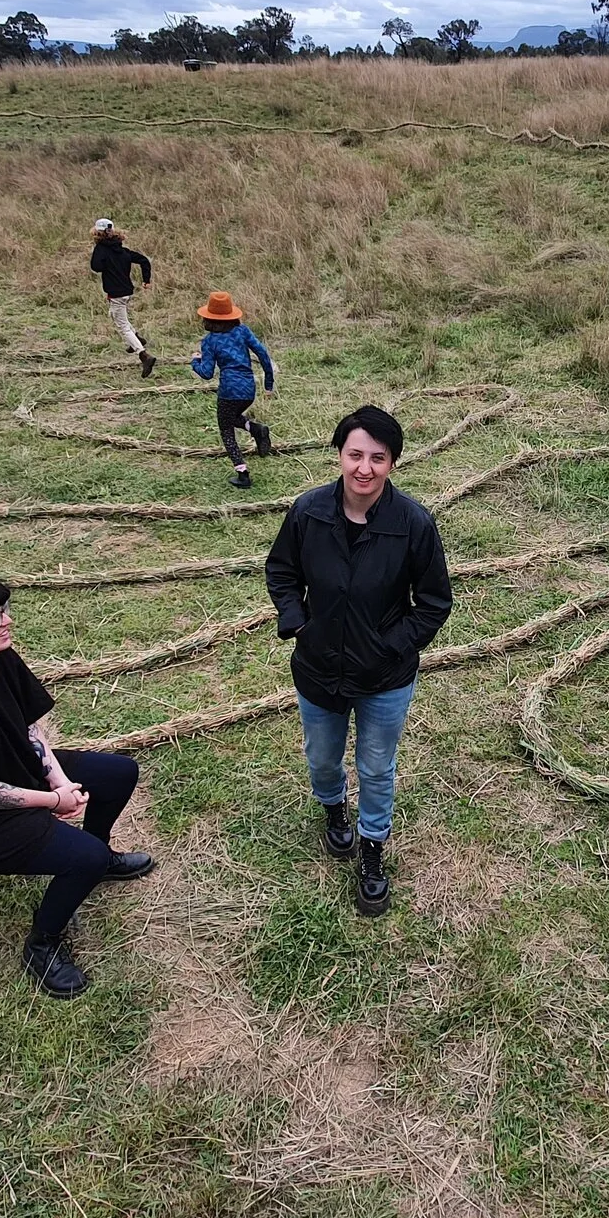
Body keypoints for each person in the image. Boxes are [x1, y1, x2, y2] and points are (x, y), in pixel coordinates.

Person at [0, 571, 157, 998]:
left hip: (16, 769)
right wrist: (54, 799)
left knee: (118, 773)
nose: (7, 622)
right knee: (82, 858)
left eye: (4, 611)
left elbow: (27, 726)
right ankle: (42, 943)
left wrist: (58, 777)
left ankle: (95, 861)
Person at [263, 405, 453, 916]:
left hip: (385, 677)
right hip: (318, 669)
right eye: (355, 455)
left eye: (378, 457)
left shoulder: (413, 523)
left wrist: (392, 644)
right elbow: (281, 572)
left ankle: (372, 846)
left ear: (392, 463)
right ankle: (333, 815)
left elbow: (434, 602)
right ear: (339, 455)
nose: (364, 468)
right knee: (322, 758)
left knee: (375, 766)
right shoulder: (307, 512)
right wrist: (298, 622)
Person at [188, 291, 277, 489]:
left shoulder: (209, 341)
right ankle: (256, 429)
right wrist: (268, 383)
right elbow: (262, 353)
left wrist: (195, 361)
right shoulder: (242, 331)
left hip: (229, 391)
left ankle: (243, 474)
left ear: (208, 317)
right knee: (232, 418)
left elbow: (207, 373)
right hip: (248, 389)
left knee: (226, 429)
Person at [88, 218, 158, 377]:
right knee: (118, 318)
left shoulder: (101, 249)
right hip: (126, 291)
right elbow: (144, 260)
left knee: (122, 326)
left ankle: (143, 355)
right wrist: (146, 280)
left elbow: (96, 267)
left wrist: (99, 253)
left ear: (97, 233)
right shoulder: (123, 250)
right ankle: (137, 338)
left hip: (116, 293)